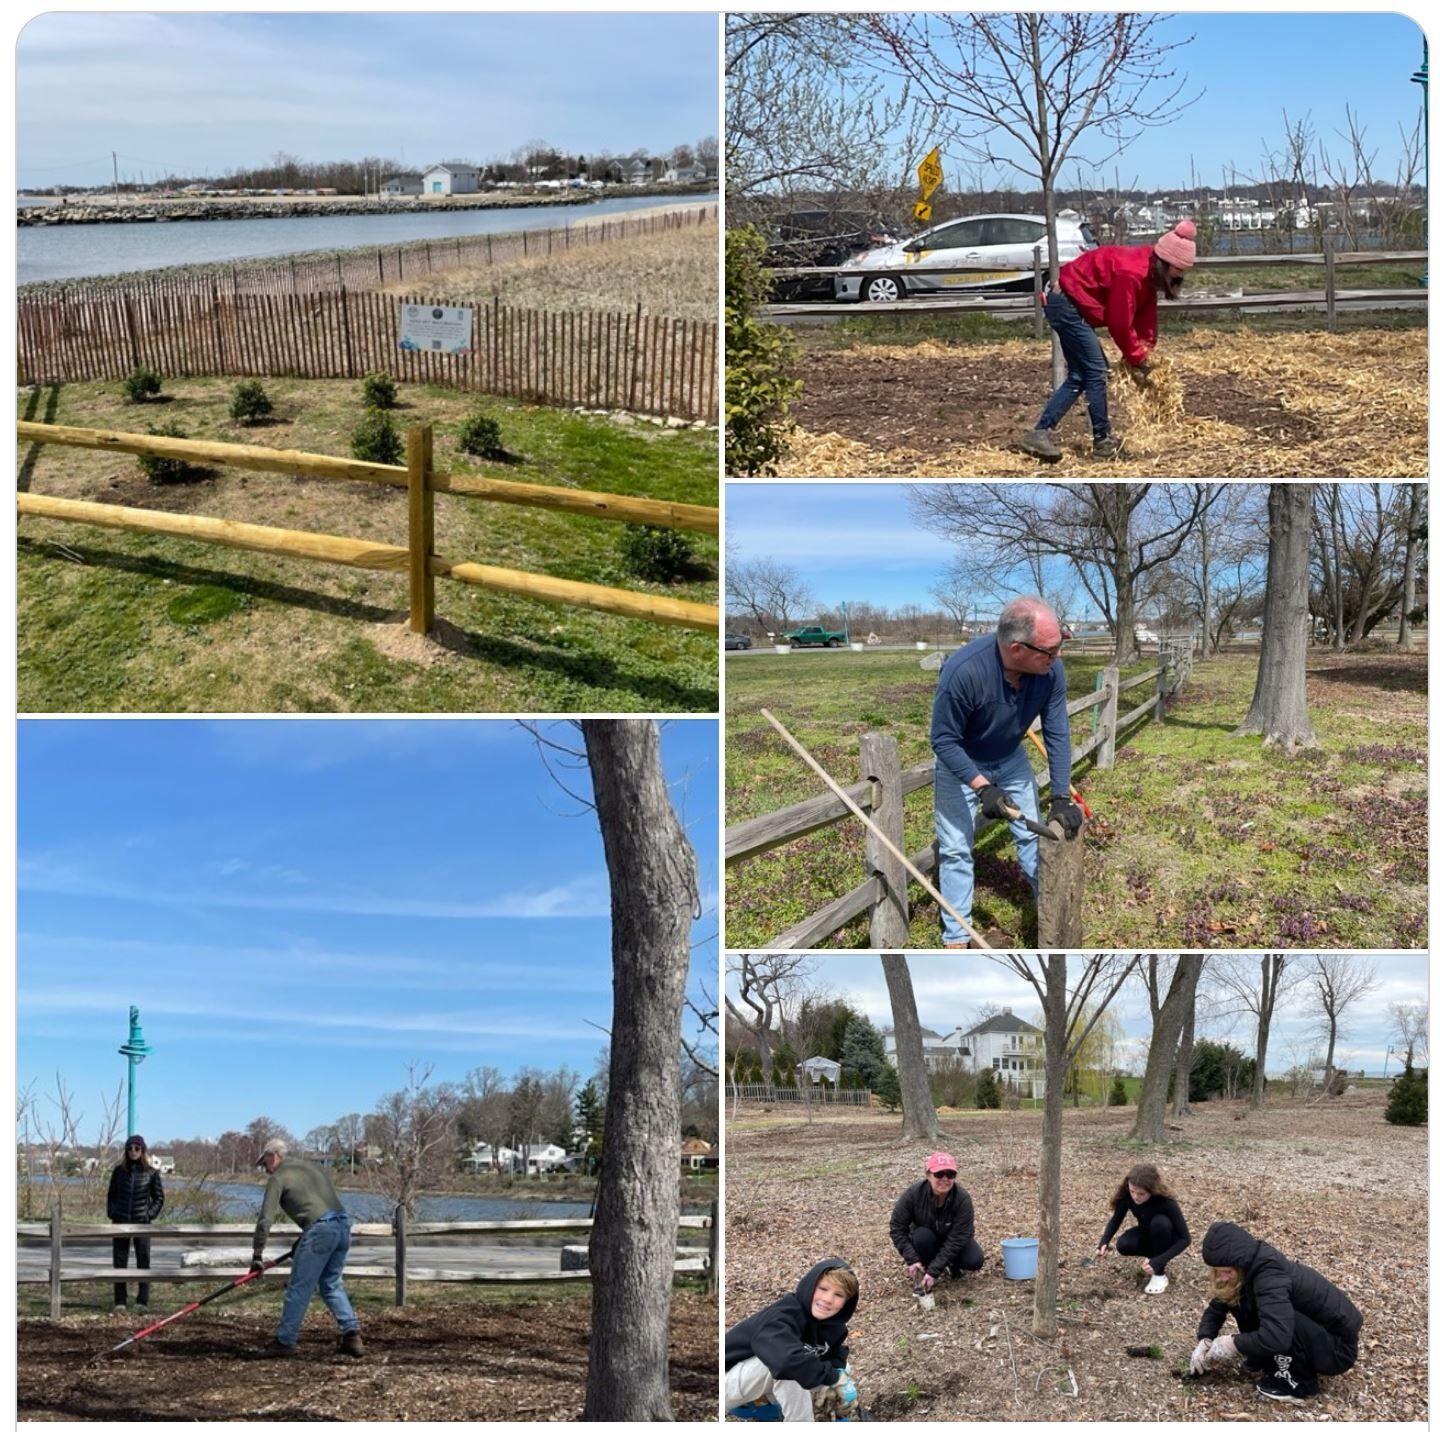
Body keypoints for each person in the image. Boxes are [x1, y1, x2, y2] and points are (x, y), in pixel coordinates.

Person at [930, 595, 1082, 948]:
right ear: (1016, 649)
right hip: (961, 762)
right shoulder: (963, 672)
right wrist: (983, 788)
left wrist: (1060, 795)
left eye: (1060, 646)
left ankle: (1051, 914)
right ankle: (957, 938)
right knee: (955, 849)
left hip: (1011, 759)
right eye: (1050, 650)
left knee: (1032, 836)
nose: (1057, 656)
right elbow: (943, 740)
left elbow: (1057, 731)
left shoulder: (1049, 671)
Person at [1019, 219, 1197, 462]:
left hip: (1072, 304)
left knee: (1081, 375)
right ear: (1164, 262)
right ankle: (1102, 441)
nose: (1180, 275)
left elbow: (1145, 313)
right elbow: (1119, 322)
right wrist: (1137, 357)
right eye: (1177, 270)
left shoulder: (1149, 270)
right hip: (1066, 304)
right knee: (1097, 370)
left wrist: (1147, 350)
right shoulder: (1132, 273)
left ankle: (1039, 434)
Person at [1188, 1221, 1363, 1402]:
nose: (1222, 1276)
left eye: (1226, 1271)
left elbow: (1278, 1336)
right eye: (1217, 1271)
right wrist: (1205, 1338)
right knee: (1240, 1299)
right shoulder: (1245, 1268)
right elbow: (1218, 1305)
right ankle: (1265, 1358)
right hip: (1315, 1336)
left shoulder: (1270, 1276)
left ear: (1239, 1262)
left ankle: (1299, 1384)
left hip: (1337, 1348)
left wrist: (1233, 1343)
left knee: (1280, 1322)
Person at [251, 1139, 364, 1359]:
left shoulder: (279, 1177)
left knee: (298, 1287)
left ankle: (285, 1342)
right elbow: (320, 1206)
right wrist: (304, 1238)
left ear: (273, 1156)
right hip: (342, 1226)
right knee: (330, 1283)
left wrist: (257, 1253)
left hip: (321, 1230)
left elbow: (265, 1218)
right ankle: (352, 1335)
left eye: (264, 1162)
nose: (264, 1168)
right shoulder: (311, 1168)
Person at [724, 1257, 859, 1421]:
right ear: (809, 1286)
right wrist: (831, 1379)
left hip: (757, 1386)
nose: (828, 1299)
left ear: (846, 1303)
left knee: (842, 1369)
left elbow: (835, 1354)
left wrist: (838, 1377)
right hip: (724, 1384)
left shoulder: (834, 1327)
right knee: (790, 1366)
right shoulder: (781, 1317)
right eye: (823, 1288)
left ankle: (786, 1409)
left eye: (838, 1295)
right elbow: (786, 1361)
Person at [889, 1151, 984, 1289]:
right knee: (922, 1236)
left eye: (950, 1174)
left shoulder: (962, 1199)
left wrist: (935, 1271)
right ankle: (924, 1266)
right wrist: (912, 1259)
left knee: (975, 1260)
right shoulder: (913, 1195)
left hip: (951, 1238)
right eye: (939, 1174)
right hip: (926, 1238)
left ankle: (950, 1264)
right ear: (928, 1174)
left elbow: (959, 1237)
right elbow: (897, 1227)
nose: (945, 1179)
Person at [1095, 1162, 1190, 1295]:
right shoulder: (1127, 1196)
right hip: (1147, 1231)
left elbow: (1185, 1239)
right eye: (1132, 1191)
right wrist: (1104, 1241)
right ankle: (1153, 1258)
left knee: (1160, 1222)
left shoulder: (1166, 1202)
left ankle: (1159, 1274)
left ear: (1152, 1190)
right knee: (1124, 1245)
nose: (1135, 1197)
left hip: (1168, 1237)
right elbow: (1116, 1219)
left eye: (1141, 1194)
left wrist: (1160, 1260)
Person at [107, 1134, 164, 1314]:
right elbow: (111, 1195)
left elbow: (159, 1197)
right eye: (130, 1148)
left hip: (142, 1223)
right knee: (119, 1262)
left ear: (142, 1150)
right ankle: (120, 1301)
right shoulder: (118, 1172)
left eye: (137, 1148)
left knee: (143, 1261)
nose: (133, 1151)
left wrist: (149, 1214)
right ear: (126, 1150)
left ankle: (142, 1301)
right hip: (121, 1222)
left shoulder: (151, 1173)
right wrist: (112, 1212)